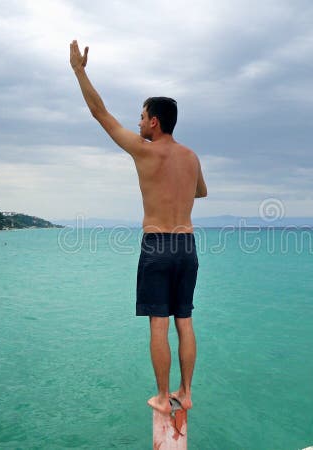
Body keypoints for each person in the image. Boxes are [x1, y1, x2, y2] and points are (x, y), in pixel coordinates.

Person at [70, 40, 208, 415]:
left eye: (141, 116)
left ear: (154, 122)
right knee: (186, 320)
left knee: (158, 325)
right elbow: (201, 191)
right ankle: (187, 391)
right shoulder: (192, 156)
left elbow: (101, 114)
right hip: (188, 247)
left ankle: (163, 397)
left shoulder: (143, 150)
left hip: (158, 246)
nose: (137, 122)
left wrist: (79, 71)